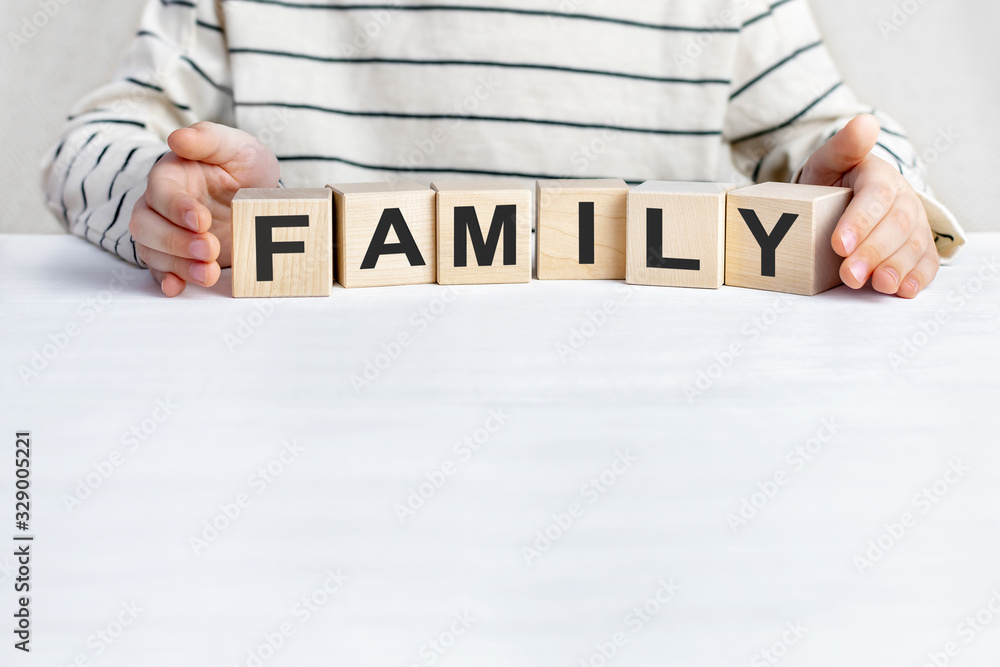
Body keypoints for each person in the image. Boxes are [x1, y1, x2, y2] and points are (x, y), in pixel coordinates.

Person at [42, 0, 965, 298]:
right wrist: (163, 198)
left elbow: (842, 146)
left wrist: (877, 192)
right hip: (312, 429)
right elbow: (92, 142)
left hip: (658, 440)